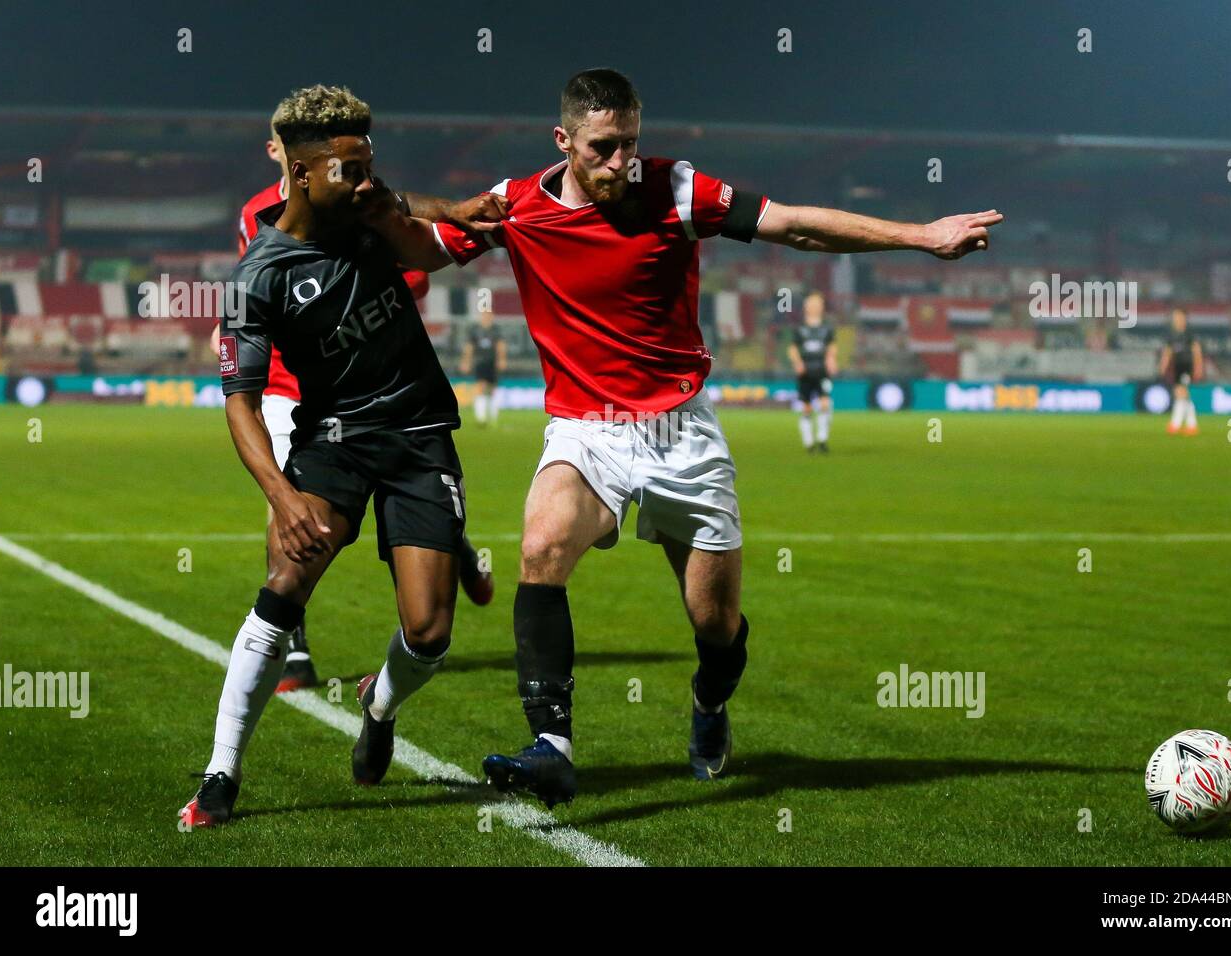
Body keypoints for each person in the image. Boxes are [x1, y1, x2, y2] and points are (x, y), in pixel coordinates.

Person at [372, 68, 1001, 807]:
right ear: (563, 140)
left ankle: (708, 702)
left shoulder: (677, 190)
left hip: (681, 432)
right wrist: (361, 196)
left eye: (630, 143)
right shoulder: (514, 205)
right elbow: (419, 250)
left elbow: (792, 224)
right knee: (540, 548)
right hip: (585, 429)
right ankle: (552, 746)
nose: (619, 162)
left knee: (715, 624)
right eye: (603, 147)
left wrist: (921, 236)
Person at [179, 85, 502, 827]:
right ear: (301, 174)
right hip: (332, 440)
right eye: (350, 171)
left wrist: (455, 212)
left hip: (420, 434)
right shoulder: (259, 276)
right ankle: (221, 774)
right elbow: (239, 400)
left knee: (429, 633)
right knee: (284, 580)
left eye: (368, 167)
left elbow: (400, 200)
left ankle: (379, 704)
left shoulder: (361, 204)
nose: (366, 184)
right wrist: (284, 498)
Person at [788, 291, 837, 453]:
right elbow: (793, 348)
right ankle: (809, 443)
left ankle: (822, 440)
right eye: (812, 304)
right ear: (806, 307)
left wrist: (831, 360)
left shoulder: (827, 328)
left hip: (822, 371)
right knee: (807, 407)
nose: (815, 307)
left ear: (822, 307)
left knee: (825, 403)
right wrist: (798, 362)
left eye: (818, 304)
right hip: (806, 371)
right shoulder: (800, 328)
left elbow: (831, 346)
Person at [460, 308, 507, 426]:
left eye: (489, 315)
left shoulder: (496, 330)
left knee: (492, 390)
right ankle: (481, 418)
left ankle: (492, 418)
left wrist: (501, 359)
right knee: (480, 387)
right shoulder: (475, 330)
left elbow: (500, 345)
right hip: (480, 362)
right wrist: (466, 362)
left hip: (492, 362)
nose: (486, 317)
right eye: (484, 315)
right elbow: (469, 347)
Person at [1159, 308, 1203, 435]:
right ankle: (1191, 425)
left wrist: (1198, 367)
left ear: (1184, 318)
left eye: (1178, 317)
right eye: (1175, 317)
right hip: (1176, 367)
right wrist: (1163, 366)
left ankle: (1176, 424)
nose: (1176, 319)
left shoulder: (1189, 334)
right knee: (1183, 396)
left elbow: (1196, 351)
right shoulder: (1171, 335)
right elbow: (1167, 352)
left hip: (1186, 366)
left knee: (1180, 393)